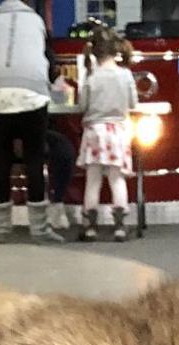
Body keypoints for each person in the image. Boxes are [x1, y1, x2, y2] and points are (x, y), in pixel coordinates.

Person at [0, 0, 63, 244]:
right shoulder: (37, 22)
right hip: (32, 95)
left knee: (1, 157)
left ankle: (1, 229)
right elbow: (51, 66)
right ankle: (39, 229)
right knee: (34, 156)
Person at [77, 29, 138, 242]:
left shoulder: (90, 76)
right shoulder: (126, 75)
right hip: (118, 132)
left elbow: (82, 105)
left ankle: (90, 227)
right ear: (116, 50)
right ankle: (120, 226)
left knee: (92, 181)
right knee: (116, 179)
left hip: (95, 132)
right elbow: (133, 103)